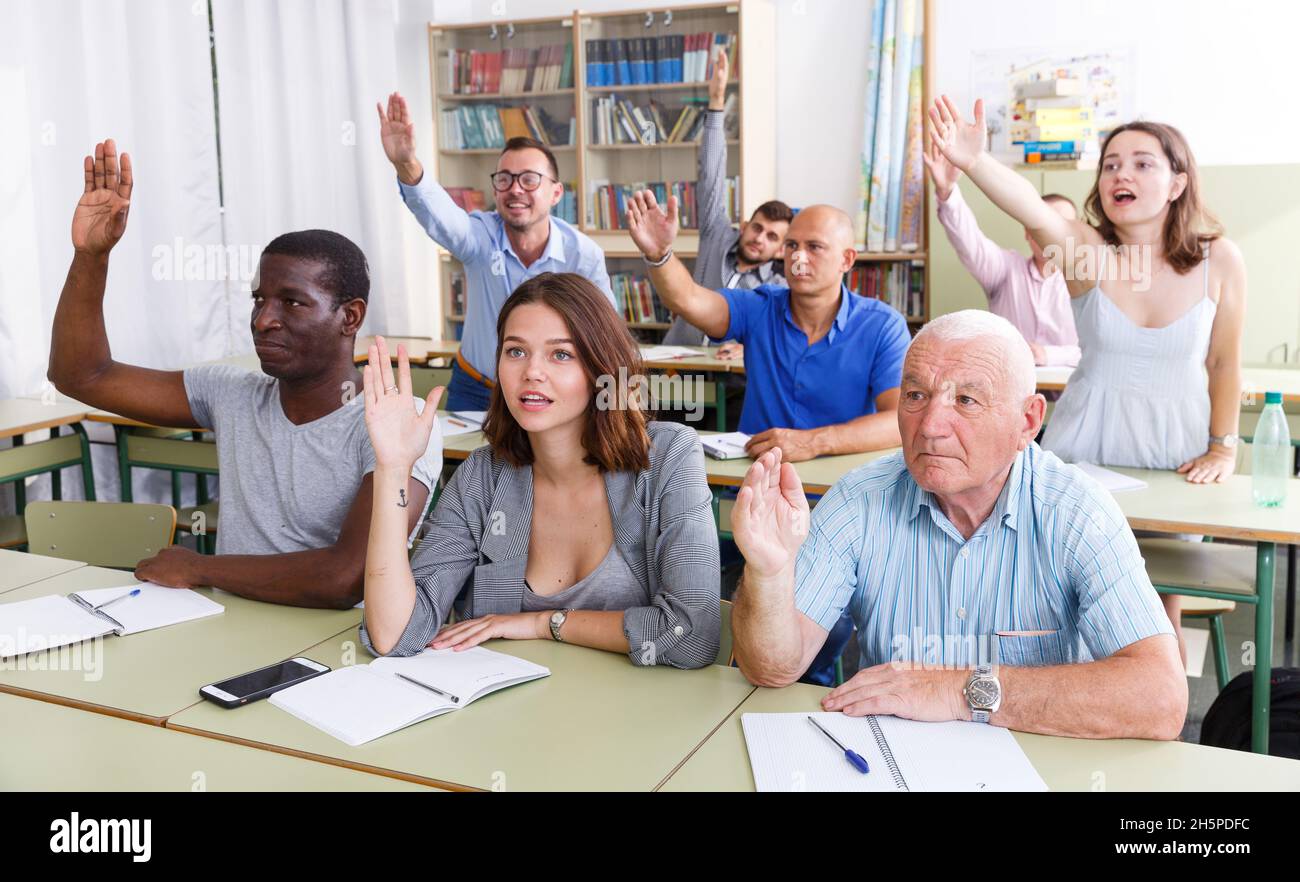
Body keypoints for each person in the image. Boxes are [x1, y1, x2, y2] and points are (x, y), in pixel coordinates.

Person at [729, 311, 1187, 740]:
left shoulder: (1077, 511)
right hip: (890, 759)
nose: (930, 426)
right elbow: (774, 668)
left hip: (1039, 762)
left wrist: (960, 691)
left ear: (1027, 421)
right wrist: (769, 573)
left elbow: (1161, 697)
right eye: (915, 396)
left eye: (966, 400)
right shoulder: (859, 499)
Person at [48, 139, 441, 608]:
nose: (262, 319)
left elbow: (346, 577)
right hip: (229, 624)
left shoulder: (399, 425)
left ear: (350, 317)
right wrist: (91, 257)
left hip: (339, 647)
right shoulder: (230, 394)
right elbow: (80, 376)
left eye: (292, 302)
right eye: (259, 299)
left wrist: (199, 567)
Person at [928, 96, 1247, 662]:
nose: (1121, 173)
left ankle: (1157, 724)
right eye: (1110, 163)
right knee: (1060, 607)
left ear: (1178, 182)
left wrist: (1223, 447)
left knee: (1155, 613)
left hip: (1175, 453)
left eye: (1142, 163)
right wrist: (975, 163)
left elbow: (1224, 364)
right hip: (1086, 449)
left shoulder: (1219, 260)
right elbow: (1034, 208)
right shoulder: (1084, 251)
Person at [360, 273, 720, 669]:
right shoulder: (482, 478)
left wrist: (543, 623)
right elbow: (394, 635)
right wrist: (393, 469)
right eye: (515, 352)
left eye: (561, 354)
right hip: (511, 717)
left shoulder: (669, 457)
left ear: (602, 368)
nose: (532, 371)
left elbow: (691, 637)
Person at [377, 92, 616, 410]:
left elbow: (606, 334)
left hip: (549, 392)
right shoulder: (480, 236)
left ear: (556, 192)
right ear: (495, 190)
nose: (515, 189)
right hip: (478, 387)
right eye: (505, 179)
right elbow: (444, 220)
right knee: (465, 460)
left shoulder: (583, 255)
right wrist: (406, 164)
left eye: (530, 180)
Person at [662, 51, 791, 353]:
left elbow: (784, 339)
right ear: (744, 225)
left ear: (782, 249)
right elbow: (711, 175)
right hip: (678, 368)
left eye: (772, 236)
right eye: (757, 228)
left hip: (730, 382)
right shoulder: (717, 236)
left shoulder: (778, 288)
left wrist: (749, 349)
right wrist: (717, 101)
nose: (760, 238)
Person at [925, 139, 1080, 367]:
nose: (1053, 235)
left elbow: (1096, 350)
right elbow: (969, 240)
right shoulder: (1006, 270)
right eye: (1045, 225)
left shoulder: (1089, 281)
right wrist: (947, 191)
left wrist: (1046, 355)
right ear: (1028, 232)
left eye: (1062, 225)